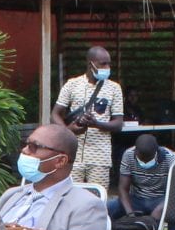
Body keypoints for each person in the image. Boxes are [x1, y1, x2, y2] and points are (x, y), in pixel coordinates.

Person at [54, 46, 125, 187]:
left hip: (100, 156)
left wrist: (96, 123)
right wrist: (68, 131)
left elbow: (118, 123)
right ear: (90, 63)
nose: (107, 67)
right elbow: (55, 114)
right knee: (70, 196)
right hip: (72, 153)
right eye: (103, 63)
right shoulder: (72, 84)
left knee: (97, 200)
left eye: (109, 63)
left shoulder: (114, 88)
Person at [113, 133, 174, 222]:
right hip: (136, 199)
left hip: (161, 199)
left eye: (149, 159)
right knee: (108, 208)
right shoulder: (128, 155)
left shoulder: (170, 158)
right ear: (135, 151)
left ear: (157, 151)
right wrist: (130, 214)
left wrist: (161, 208)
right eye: (142, 159)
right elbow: (123, 188)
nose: (145, 162)